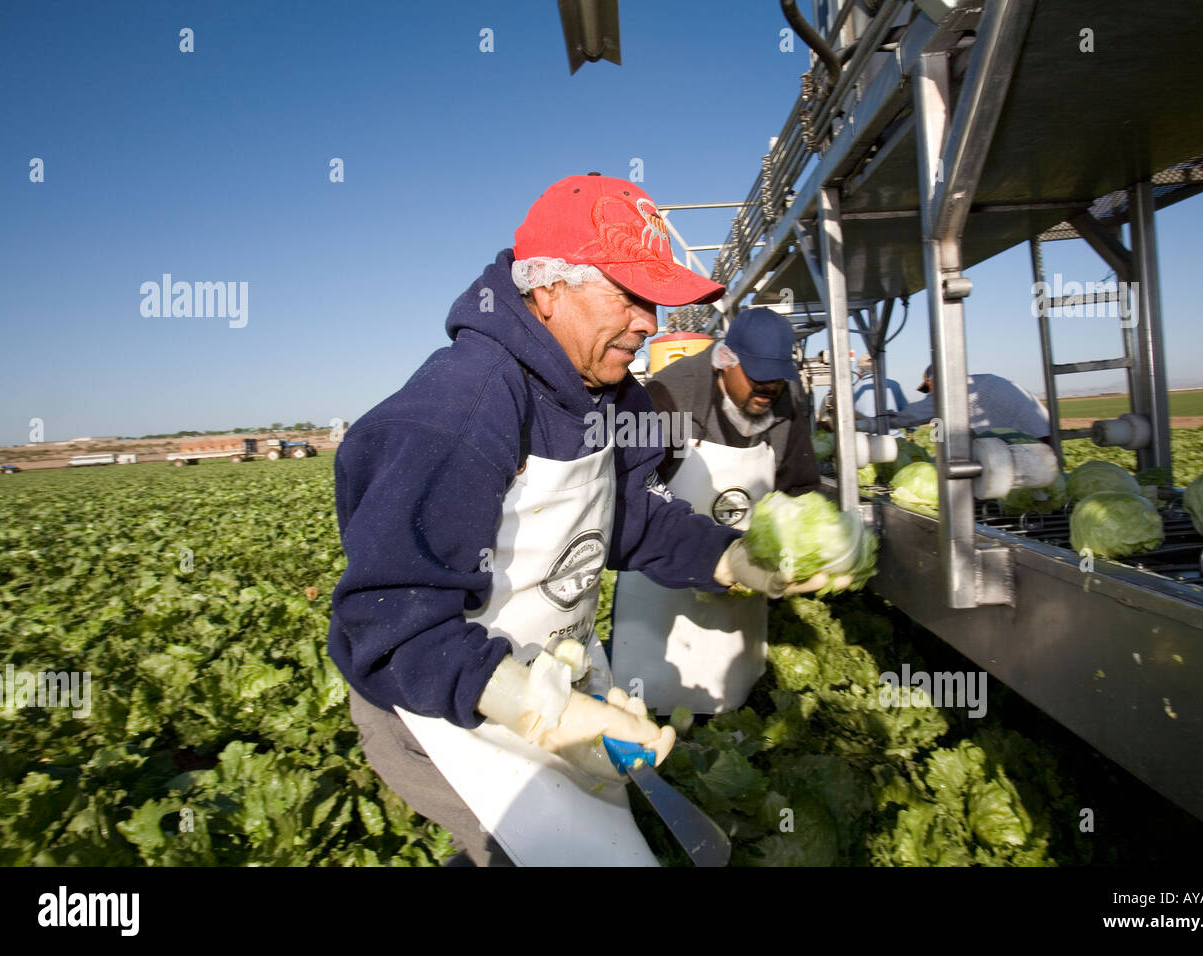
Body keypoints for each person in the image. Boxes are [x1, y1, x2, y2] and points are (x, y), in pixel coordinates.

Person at [328, 174, 834, 867]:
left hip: (544, 672)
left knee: (573, 845)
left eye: (652, 300)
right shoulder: (464, 408)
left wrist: (729, 558)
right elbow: (393, 626)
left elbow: (629, 517)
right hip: (438, 699)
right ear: (548, 289)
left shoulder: (613, 397)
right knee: (520, 850)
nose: (649, 323)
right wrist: (542, 712)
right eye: (628, 295)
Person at [610, 307, 821, 715]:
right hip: (661, 584)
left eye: (778, 377)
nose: (769, 388)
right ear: (726, 360)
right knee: (650, 697)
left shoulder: (787, 404)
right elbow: (633, 497)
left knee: (729, 690)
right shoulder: (669, 395)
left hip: (743, 575)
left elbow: (799, 487)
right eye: (759, 376)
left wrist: (805, 546)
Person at [889, 364, 1051, 439]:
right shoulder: (976, 384)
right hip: (1042, 430)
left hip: (1028, 438)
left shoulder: (952, 390)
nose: (928, 393)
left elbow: (912, 416)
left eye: (928, 388)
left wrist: (888, 419)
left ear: (933, 381)